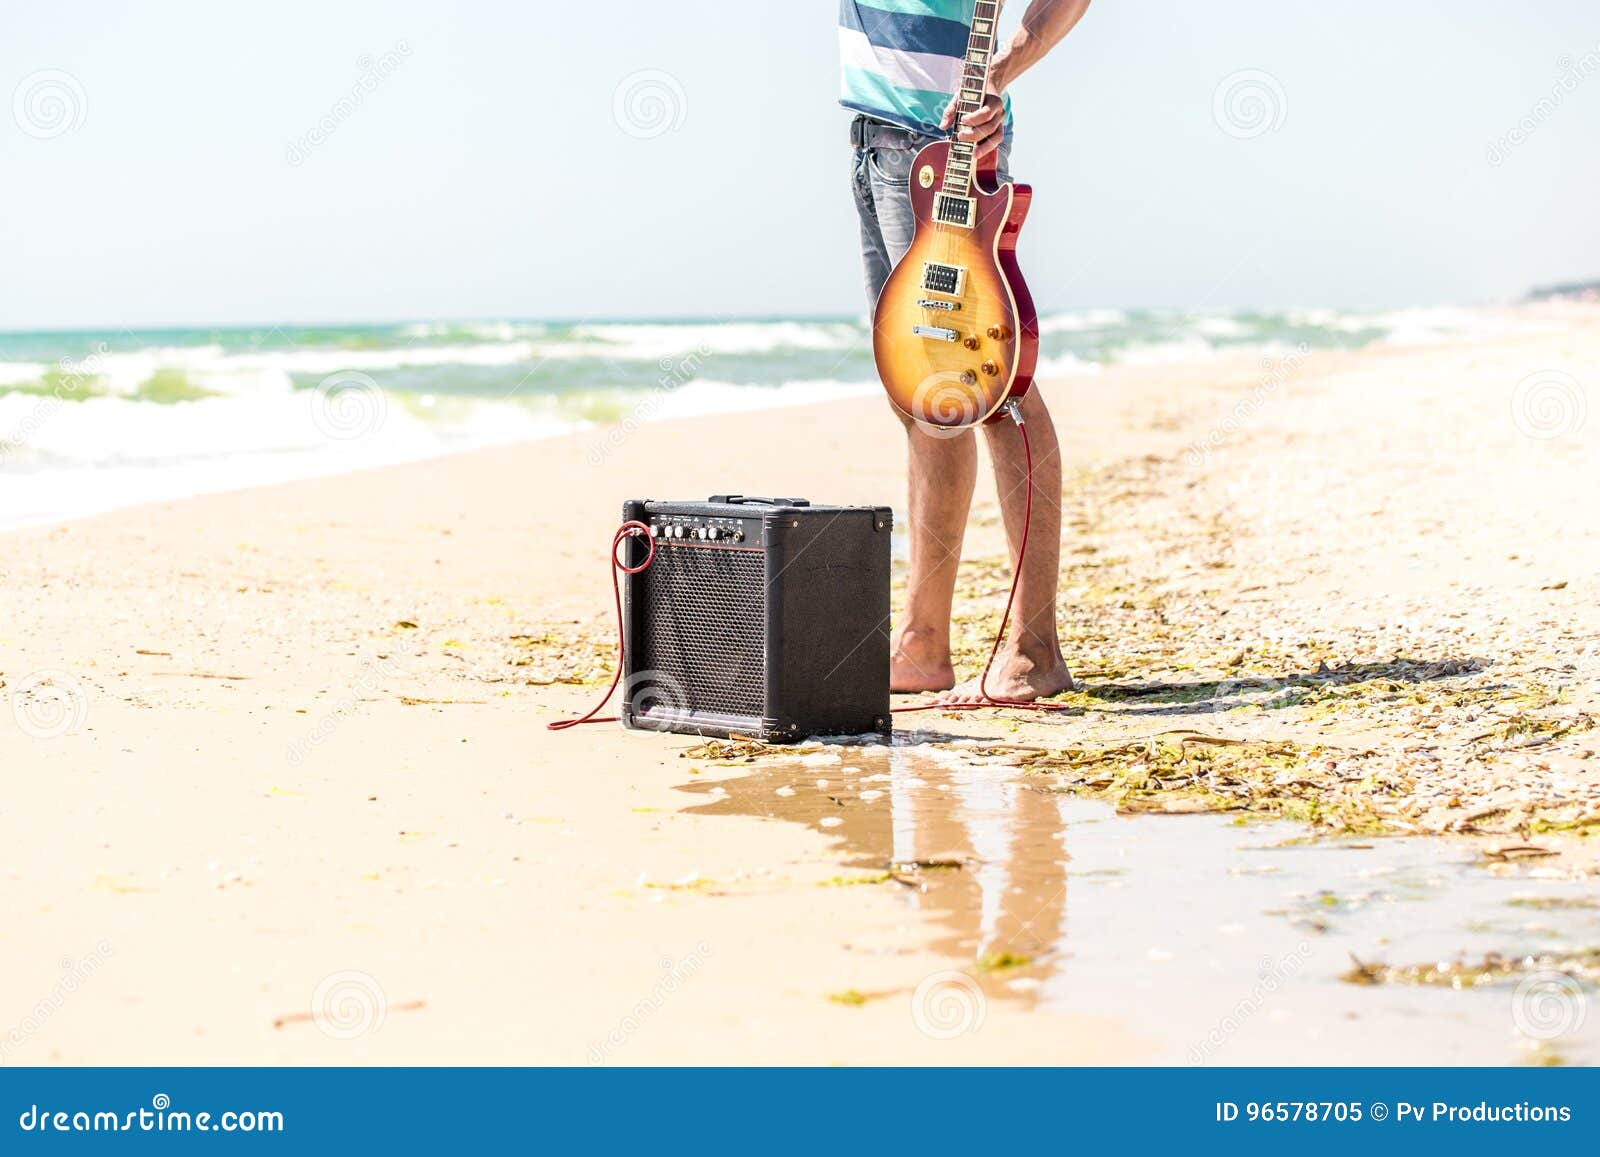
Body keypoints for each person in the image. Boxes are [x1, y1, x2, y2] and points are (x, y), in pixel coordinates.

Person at [843, 0, 1092, 702]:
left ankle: (1035, 649)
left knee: (999, 387)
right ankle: (924, 645)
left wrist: (1002, 70)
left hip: (940, 142)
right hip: (875, 141)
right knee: (924, 394)